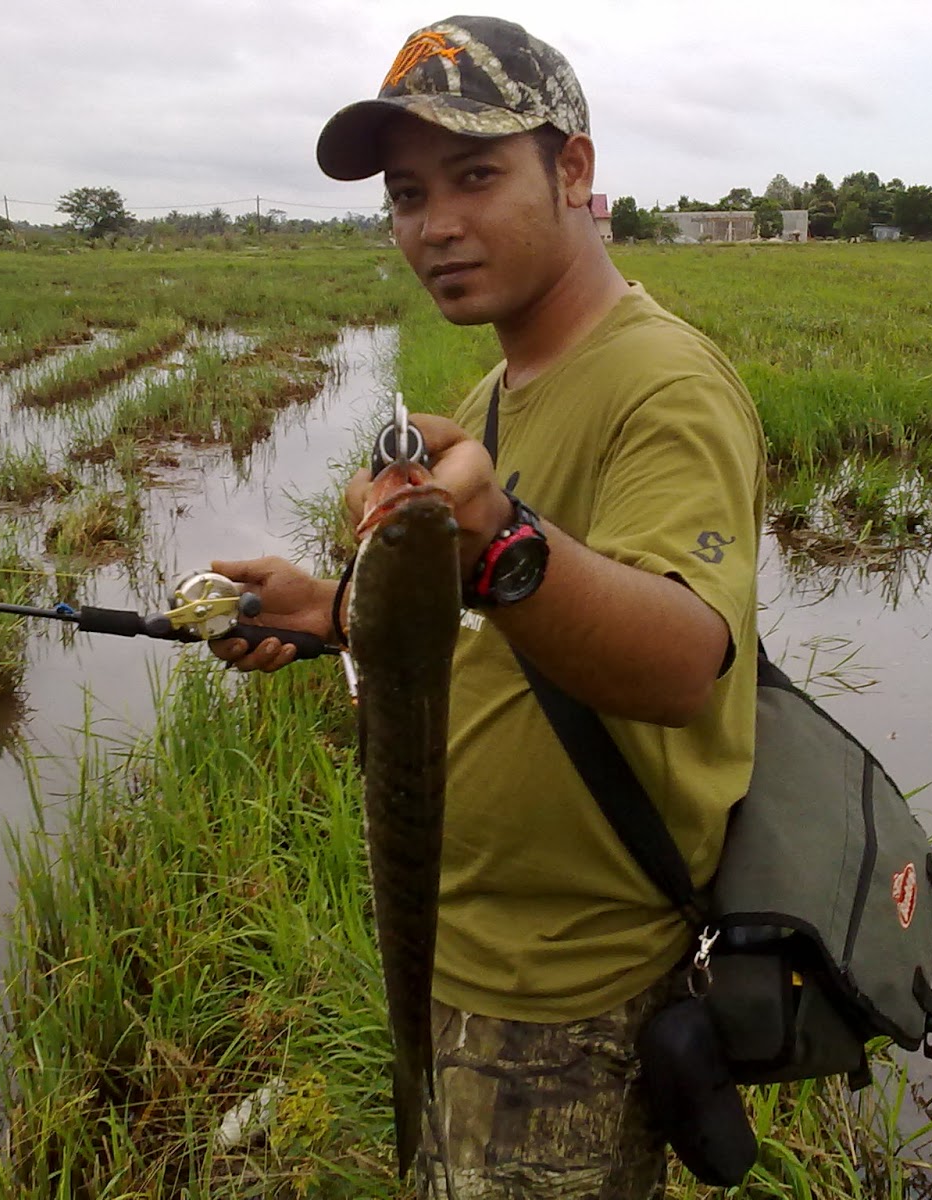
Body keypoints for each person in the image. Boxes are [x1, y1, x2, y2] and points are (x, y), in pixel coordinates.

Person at [211, 15, 765, 1198]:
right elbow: (493, 642)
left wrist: (501, 545)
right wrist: (333, 613)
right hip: (457, 949)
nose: (434, 226)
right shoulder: (498, 386)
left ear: (572, 171)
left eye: (474, 176)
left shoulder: (662, 384)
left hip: (569, 992)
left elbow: (682, 659)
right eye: (407, 195)